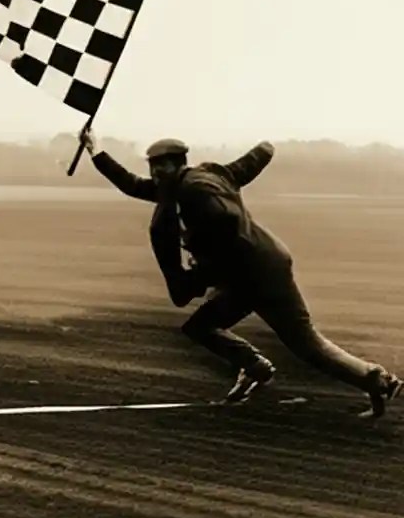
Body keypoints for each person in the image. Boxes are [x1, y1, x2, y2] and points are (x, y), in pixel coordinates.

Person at [79, 126, 402, 418]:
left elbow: (225, 221)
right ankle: (255, 367)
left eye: (160, 166)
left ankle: (379, 381)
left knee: (306, 344)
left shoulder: (197, 190)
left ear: (177, 163)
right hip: (246, 271)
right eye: (152, 167)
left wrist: (202, 262)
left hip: (260, 272)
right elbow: (133, 185)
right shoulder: (195, 180)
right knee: (201, 327)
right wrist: (96, 150)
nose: (154, 173)